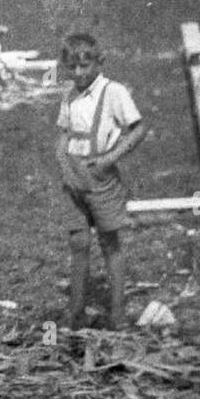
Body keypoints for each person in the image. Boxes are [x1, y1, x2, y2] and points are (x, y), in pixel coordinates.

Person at [55, 33, 146, 330]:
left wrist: (109, 159)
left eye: (85, 66)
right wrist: (62, 161)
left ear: (99, 62)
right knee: (78, 242)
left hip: (100, 178)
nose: (79, 73)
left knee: (109, 243)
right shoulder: (69, 95)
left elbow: (138, 128)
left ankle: (117, 313)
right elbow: (64, 133)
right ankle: (76, 310)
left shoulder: (113, 92)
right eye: (72, 68)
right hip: (72, 178)